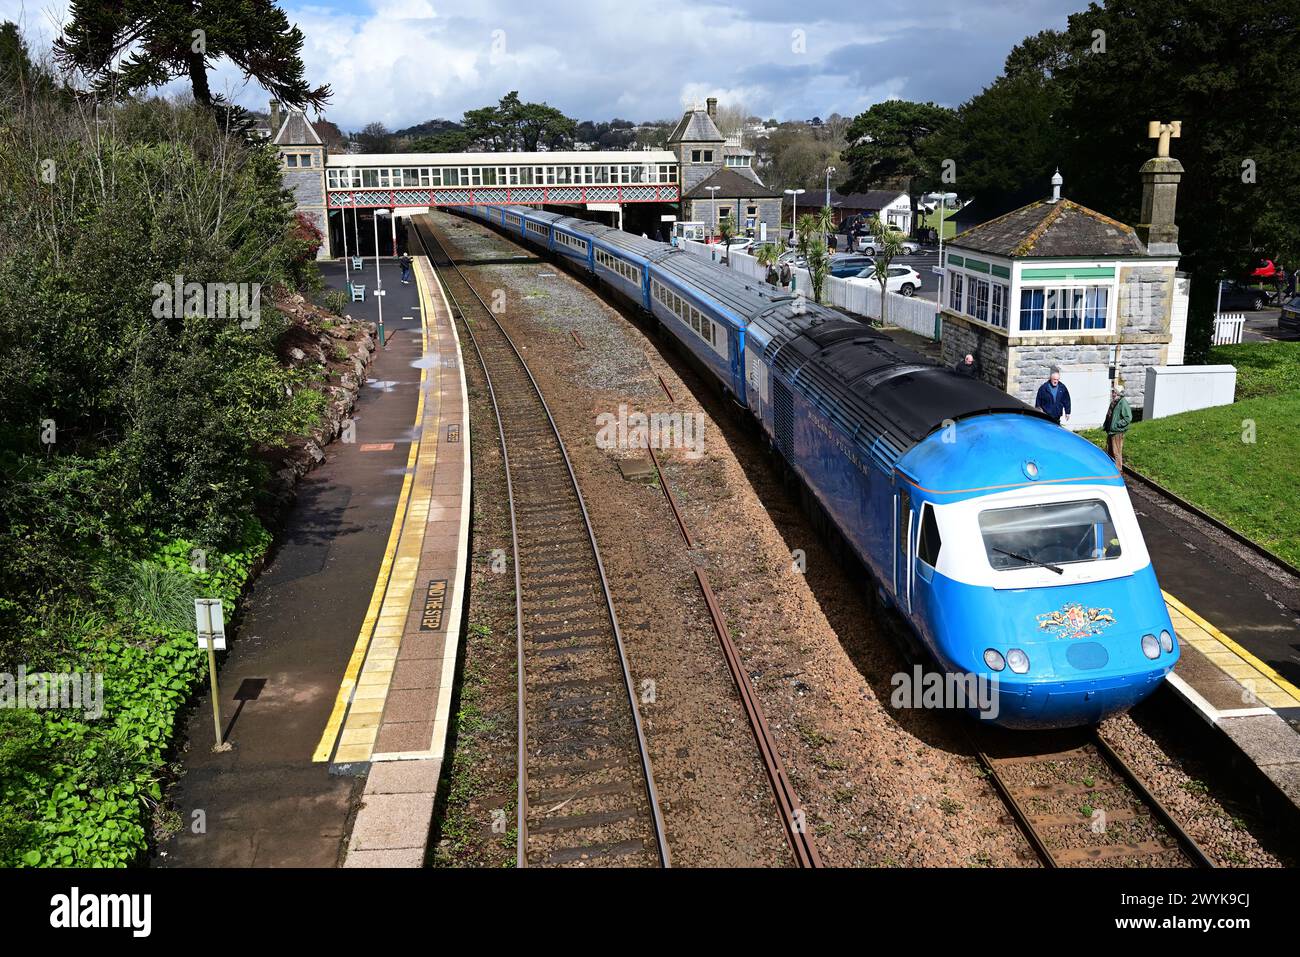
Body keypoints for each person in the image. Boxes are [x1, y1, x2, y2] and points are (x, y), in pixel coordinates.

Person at [1104, 383, 1133, 470]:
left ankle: (1118, 470)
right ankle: (1111, 468)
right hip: (1111, 430)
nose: (1112, 394)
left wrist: (1117, 424)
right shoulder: (1114, 402)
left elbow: (1128, 417)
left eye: (1114, 392)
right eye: (1113, 392)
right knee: (1110, 450)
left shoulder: (1122, 403)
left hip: (1117, 432)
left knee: (1116, 452)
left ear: (1118, 393)